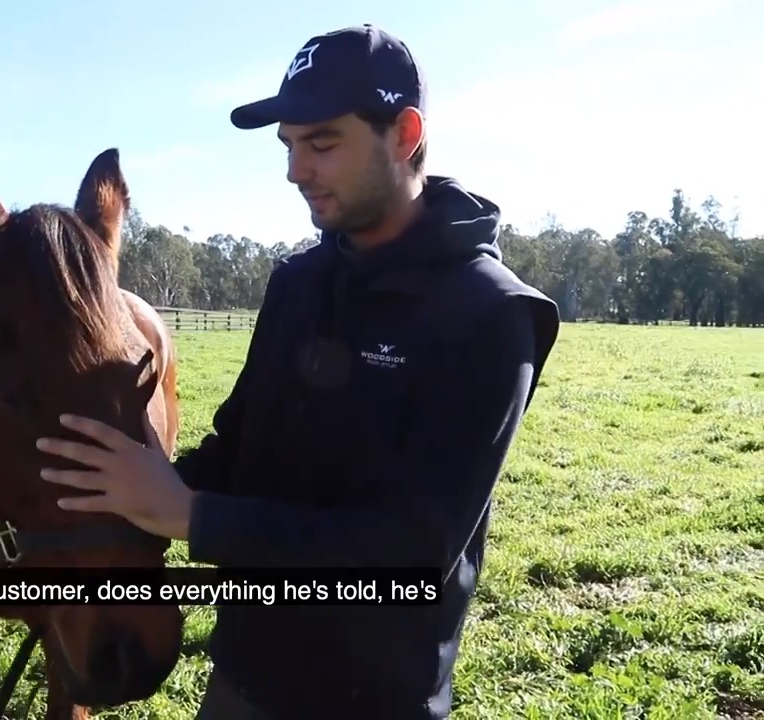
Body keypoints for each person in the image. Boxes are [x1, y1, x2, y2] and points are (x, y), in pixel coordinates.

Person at [35, 23, 561, 719]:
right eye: (288, 145)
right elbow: (239, 450)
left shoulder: (492, 314)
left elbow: (413, 551)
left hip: (371, 699)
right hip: (242, 677)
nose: (294, 170)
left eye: (322, 143)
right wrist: (115, 493)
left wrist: (190, 514)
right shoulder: (298, 282)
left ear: (404, 135)